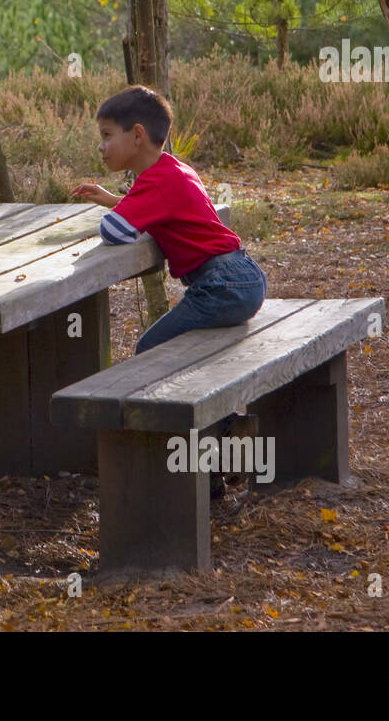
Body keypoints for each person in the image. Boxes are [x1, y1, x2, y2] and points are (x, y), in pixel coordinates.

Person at [71, 85, 266, 498]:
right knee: (188, 363)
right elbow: (154, 211)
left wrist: (117, 211)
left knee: (151, 354)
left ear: (137, 136)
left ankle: (198, 464)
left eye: (108, 135)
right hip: (240, 275)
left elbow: (116, 232)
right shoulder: (173, 169)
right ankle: (224, 439)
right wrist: (115, 199)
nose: (102, 147)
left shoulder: (156, 181)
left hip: (222, 285)